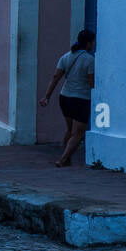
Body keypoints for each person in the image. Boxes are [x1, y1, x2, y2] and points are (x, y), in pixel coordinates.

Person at [40, 29, 96, 168]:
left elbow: (56, 77)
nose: (94, 44)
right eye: (93, 41)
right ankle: (63, 159)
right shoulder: (89, 60)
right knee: (78, 133)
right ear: (88, 43)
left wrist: (47, 96)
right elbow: (91, 83)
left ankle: (68, 160)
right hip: (81, 99)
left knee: (70, 130)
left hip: (64, 98)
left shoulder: (65, 57)